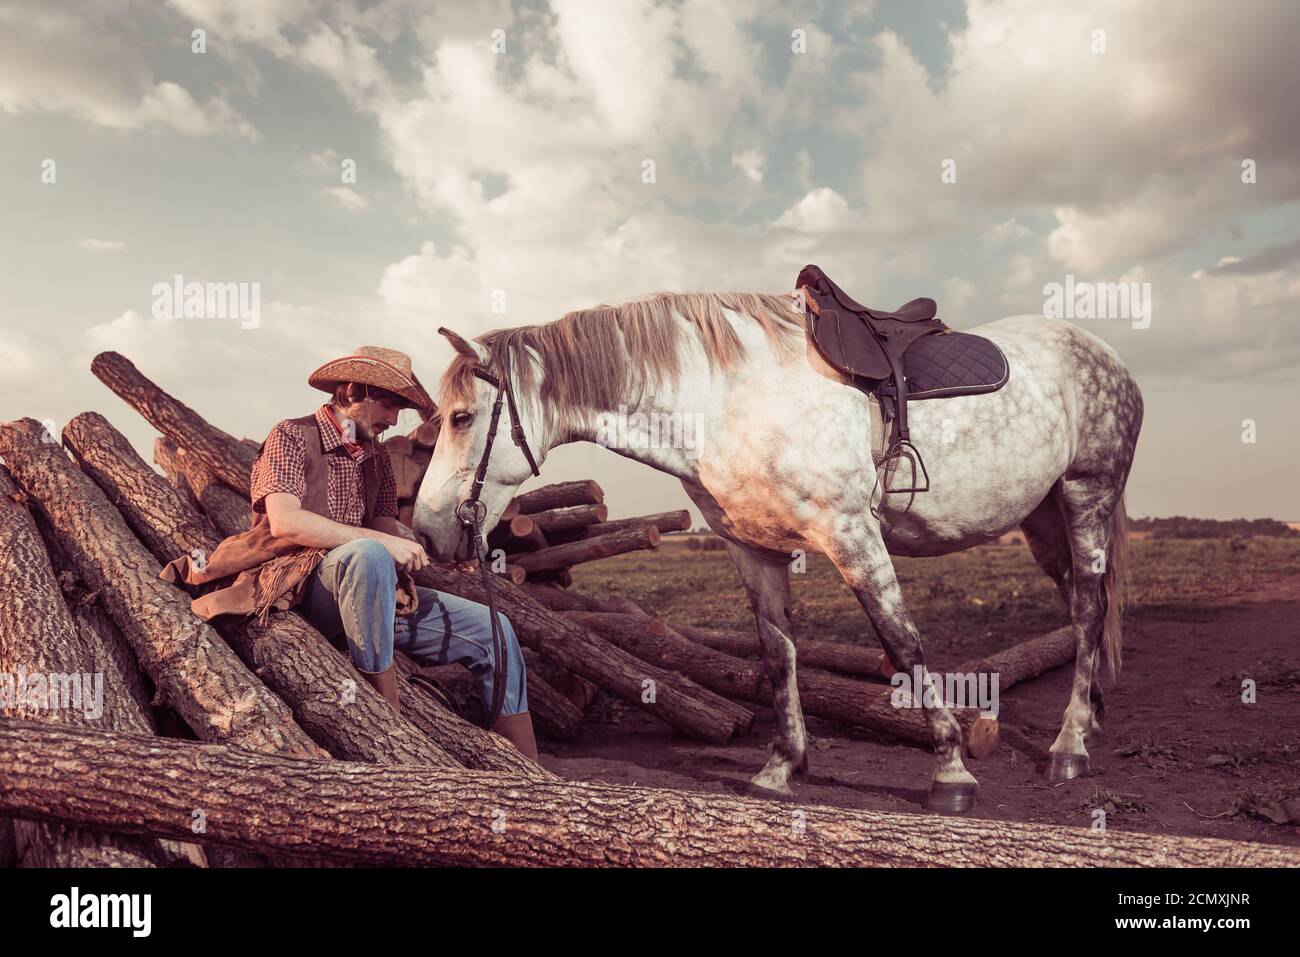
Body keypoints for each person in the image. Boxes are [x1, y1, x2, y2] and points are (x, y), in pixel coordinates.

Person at [163, 345, 537, 762]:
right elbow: (286, 521)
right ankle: (383, 722)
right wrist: (381, 544)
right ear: (353, 391)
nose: (395, 420)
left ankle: (526, 771)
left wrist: (433, 540)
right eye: (390, 405)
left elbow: (383, 530)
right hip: (299, 590)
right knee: (367, 555)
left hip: (367, 595)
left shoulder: (375, 458)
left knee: (494, 630)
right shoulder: (292, 435)